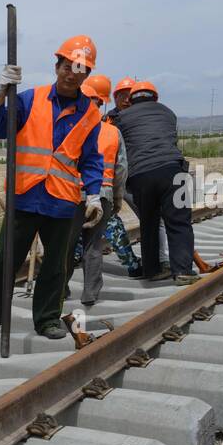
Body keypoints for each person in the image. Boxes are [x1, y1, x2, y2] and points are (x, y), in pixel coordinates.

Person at [0, 35, 105, 339]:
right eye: (68, 66)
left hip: (62, 200)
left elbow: (91, 158)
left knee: (56, 267)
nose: (72, 73)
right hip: (25, 195)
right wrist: (2, 95)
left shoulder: (90, 113)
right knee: (5, 262)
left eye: (81, 68)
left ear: (87, 73)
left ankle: (46, 319)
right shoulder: (30, 98)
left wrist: (94, 194)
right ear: (57, 65)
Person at [112, 80, 197, 284]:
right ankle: (183, 271)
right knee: (179, 222)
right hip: (172, 171)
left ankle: (151, 270)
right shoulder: (168, 113)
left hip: (141, 175)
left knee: (148, 222)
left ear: (131, 100)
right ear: (156, 98)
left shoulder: (121, 118)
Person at [71, 75, 129, 306]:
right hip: (103, 194)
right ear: (102, 102)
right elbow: (121, 168)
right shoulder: (112, 132)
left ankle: (59, 290)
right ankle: (90, 294)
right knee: (93, 245)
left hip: (71, 193)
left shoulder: (70, 126)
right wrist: (117, 198)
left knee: (64, 244)